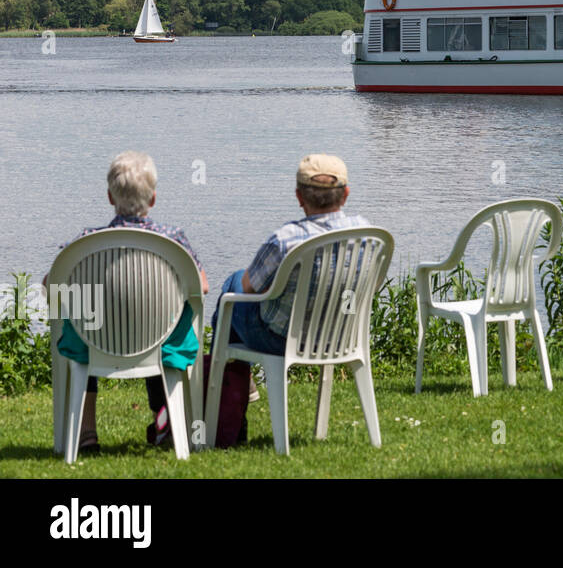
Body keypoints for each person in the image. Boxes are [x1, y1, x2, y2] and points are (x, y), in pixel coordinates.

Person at [49, 151, 209, 452]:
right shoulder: (174, 239)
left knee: (80, 323)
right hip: (158, 343)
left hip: (94, 344)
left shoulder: (87, 240)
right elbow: (201, 286)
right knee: (164, 322)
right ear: (153, 199)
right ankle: (166, 426)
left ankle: (85, 434)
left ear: (110, 197)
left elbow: (52, 285)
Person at [212, 155, 369, 359]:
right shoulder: (366, 234)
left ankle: (231, 382)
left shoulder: (286, 239)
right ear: (345, 194)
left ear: (299, 196)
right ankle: (236, 384)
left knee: (234, 284)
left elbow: (249, 288)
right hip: (342, 338)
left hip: (283, 341)